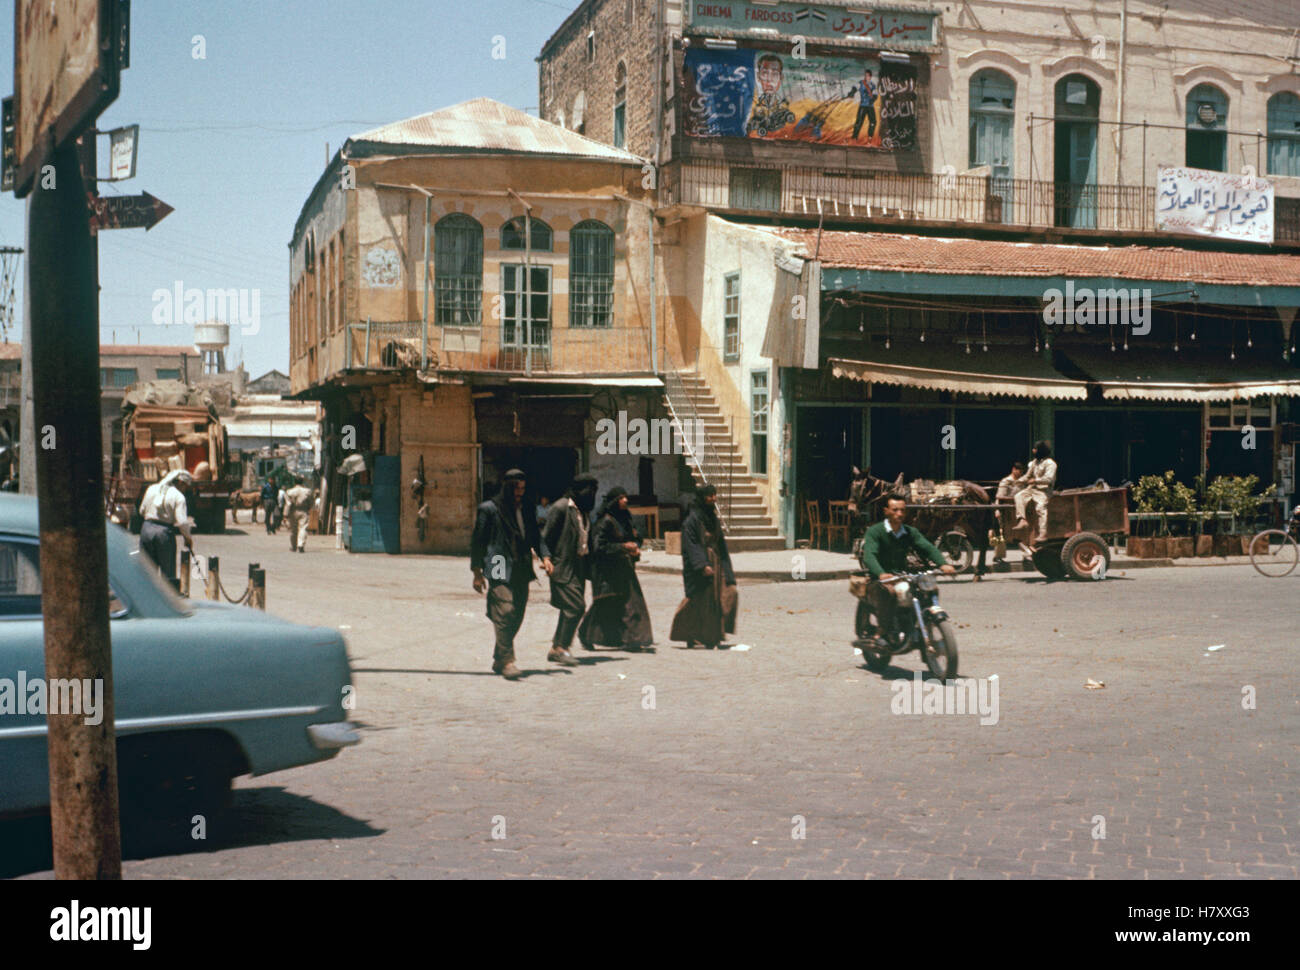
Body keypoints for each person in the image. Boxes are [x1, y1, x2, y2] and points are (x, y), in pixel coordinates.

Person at [470, 468, 554, 680]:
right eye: (516, 489)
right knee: (505, 610)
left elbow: (536, 536)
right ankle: (508, 661)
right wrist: (477, 572)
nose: (520, 493)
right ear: (507, 487)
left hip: (522, 564)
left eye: (523, 489)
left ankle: (499, 656)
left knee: (517, 614)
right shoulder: (489, 509)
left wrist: (545, 557)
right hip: (498, 561)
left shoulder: (526, 508)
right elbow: (478, 541)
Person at [859, 493, 955, 643]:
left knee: (929, 589)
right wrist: (881, 574)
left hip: (902, 575)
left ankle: (922, 622)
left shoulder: (910, 532)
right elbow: (869, 555)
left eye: (903, 510)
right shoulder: (875, 532)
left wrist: (943, 563)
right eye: (895, 510)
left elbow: (927, 547)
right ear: (886, 511)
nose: (900, 514)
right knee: (889, 592)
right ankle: (883, 630)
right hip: (878, 578)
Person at [578, 486, 654, 652]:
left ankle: (633, 639)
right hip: (606, 571)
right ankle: (585, 634)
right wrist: (623, 547)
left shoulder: (626, 518)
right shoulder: (605, 521)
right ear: (614, 501)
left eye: (625, 497)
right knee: (604, 603)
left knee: (632, 602)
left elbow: (636, 536)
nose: (625, 500)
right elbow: (599, 547)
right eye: (621, 497)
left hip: (623, 568)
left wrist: (635, 546)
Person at [670, 484, 738, 650]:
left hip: (716, 563)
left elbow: (721, 544)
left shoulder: (712, 519)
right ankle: (690, 634)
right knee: (698, 601)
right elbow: (691, 545)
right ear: (702, 498)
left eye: (714, 495)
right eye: (709, 496)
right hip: (699, 566)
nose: (713, 499)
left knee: (726, 595)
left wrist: (728, 572)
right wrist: (702, 565)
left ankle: (713, 635)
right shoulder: (692, 520)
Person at [542, 474, 598, 665]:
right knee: (576, 607)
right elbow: (546, 537)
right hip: (562, 566)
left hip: (579, 567)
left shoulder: (584, 511)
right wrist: (546, 558)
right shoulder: (560, 507)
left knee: (568, 609)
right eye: (588, 489)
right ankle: (561, 648)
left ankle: (557, 648)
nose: (591, 494)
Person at [139, 469, 195, 589]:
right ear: (180, 483)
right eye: (185, 486)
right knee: (167, 574)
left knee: (147, 571)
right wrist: (188, 539)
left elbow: (141, 510)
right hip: (164, 533)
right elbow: (182, 522)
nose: (185, 489)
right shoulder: (178, 496)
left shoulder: (151, 488)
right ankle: (166, 602)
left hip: (146, 529)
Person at [1013, 441, 1058, 542]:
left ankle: (1043, 533)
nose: (1033, 451)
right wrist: (1018, 481)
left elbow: (1049, 479)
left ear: (1041, 451)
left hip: (1044, 491)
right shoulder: (1035, 462)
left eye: (1035, 449)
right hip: (1032, 489)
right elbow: (1027, 476)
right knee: (1018, 496)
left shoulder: (1051, 464)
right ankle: (1022, 520)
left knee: (1040, 507)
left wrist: (1035, 480)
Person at [993, 461, 1026, 564]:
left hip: (1017, 510)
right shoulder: (1006, 481)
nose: (1020, 473)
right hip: (1005, 511)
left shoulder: (1021, 481)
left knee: (1022, 532)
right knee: (1000, 533)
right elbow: (999, 496)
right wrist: (997, 509)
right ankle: (998, 556)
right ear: (1013, 470)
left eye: (1021, 472)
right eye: (1018, 471)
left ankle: (1027, 555)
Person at [846, 67, 878, 142]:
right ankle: (854, 137)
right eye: (865, 75)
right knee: (859, 121)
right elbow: (855, 88)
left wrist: (872, 100)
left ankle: (870, 136)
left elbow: (875, 95)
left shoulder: (873, 85)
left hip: (870, 106)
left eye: (867, 75)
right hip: (863, 105)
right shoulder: (861, 83)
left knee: (873, 121)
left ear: (870, 76)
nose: (866, 77)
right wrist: (851, 92)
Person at [284, 478, 314, 553]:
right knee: (303, 528)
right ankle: (300, 545)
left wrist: (285, 514)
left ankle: (293, 546)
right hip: (304, 511)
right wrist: (309, 507)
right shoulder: (307, 491)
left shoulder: (289, 492)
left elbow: (288, 504)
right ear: (302, 482)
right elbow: (311, 501)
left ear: (294, 482)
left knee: (293, 530)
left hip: (293, 511)